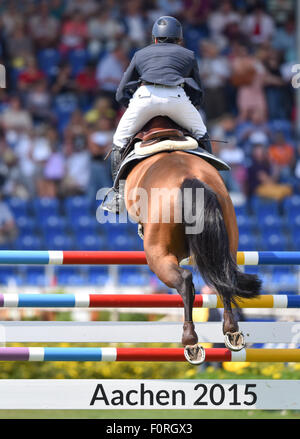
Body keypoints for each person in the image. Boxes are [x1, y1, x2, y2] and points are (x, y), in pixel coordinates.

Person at [102, 15, 211, 213]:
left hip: (145, 98)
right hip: (176, 98)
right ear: (179, 39)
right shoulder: (188, 54)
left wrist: (132, 106)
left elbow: (120, 92)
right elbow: (198, 93)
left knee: (119, 140)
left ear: (154, 38)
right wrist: (190, 107)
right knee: (201, 132)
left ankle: (118, 195)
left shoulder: (140, 54)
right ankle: (211, 188)